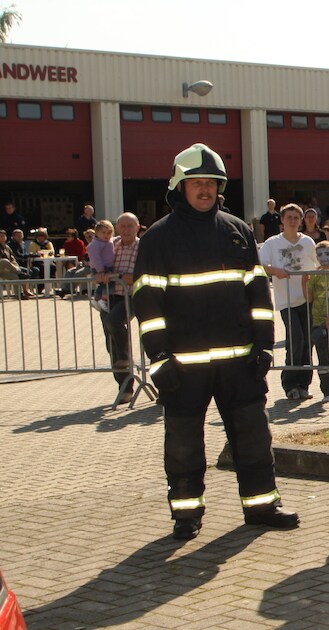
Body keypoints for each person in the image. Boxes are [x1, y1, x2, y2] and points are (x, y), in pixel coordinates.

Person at [133, 142, 299, 540]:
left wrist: (263, 346)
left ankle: (262, 506)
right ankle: (186, 514)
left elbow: (258, 296)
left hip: (238, 364)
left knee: (253, 437)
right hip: (183, 366)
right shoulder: (158, 238)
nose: (205, 190)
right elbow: (147, 304)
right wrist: (159, 358)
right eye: (197, 183)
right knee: (184, 444)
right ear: (180, 187)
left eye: (211, 183)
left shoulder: (237, 231)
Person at [260, 203, 318, 400]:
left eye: (296, 218)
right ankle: (290, 384)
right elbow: (260, 264)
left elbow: (319, 265)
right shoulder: (272, 243)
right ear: (282, 220)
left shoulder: (308, 242)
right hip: (286, 300)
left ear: (301, 221)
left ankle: (303, 384)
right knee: (296, 340)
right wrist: (275, 270)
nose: (293, 221)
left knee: (307, 342)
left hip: (307, 299)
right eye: (289, 217)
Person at [97, 213, 141, 403]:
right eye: (122, 226)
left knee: (113, 321)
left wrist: (123, 277)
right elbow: (97, 264)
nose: (126, 230)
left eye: (130, 226)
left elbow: (142, 273)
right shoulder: (110, 244)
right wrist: (98, 274)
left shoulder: (143, 247)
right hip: (110, 296)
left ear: (137, 227)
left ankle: (125, 357)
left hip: (132, 296)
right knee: (110, 341)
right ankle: (124, 387)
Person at [305, 240, 329, 403]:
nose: (323, 258)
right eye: (320, 255)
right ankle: (327, 390)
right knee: (323, 355)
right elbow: (309, 298)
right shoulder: (315, 275)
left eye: (327, 254)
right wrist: (305, 281)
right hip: (318, 320)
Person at [87, 220, 116, 310]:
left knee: (108, 284)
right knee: (105, 284)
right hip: (101, 268)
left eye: (109, 233)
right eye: (103, 232)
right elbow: (95, 258)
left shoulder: (108, 242)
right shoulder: (95, 244)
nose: (106, 235)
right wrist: (101, 270)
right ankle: (99, 299)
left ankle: (100, 299)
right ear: (97, 233)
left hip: (108, 267)